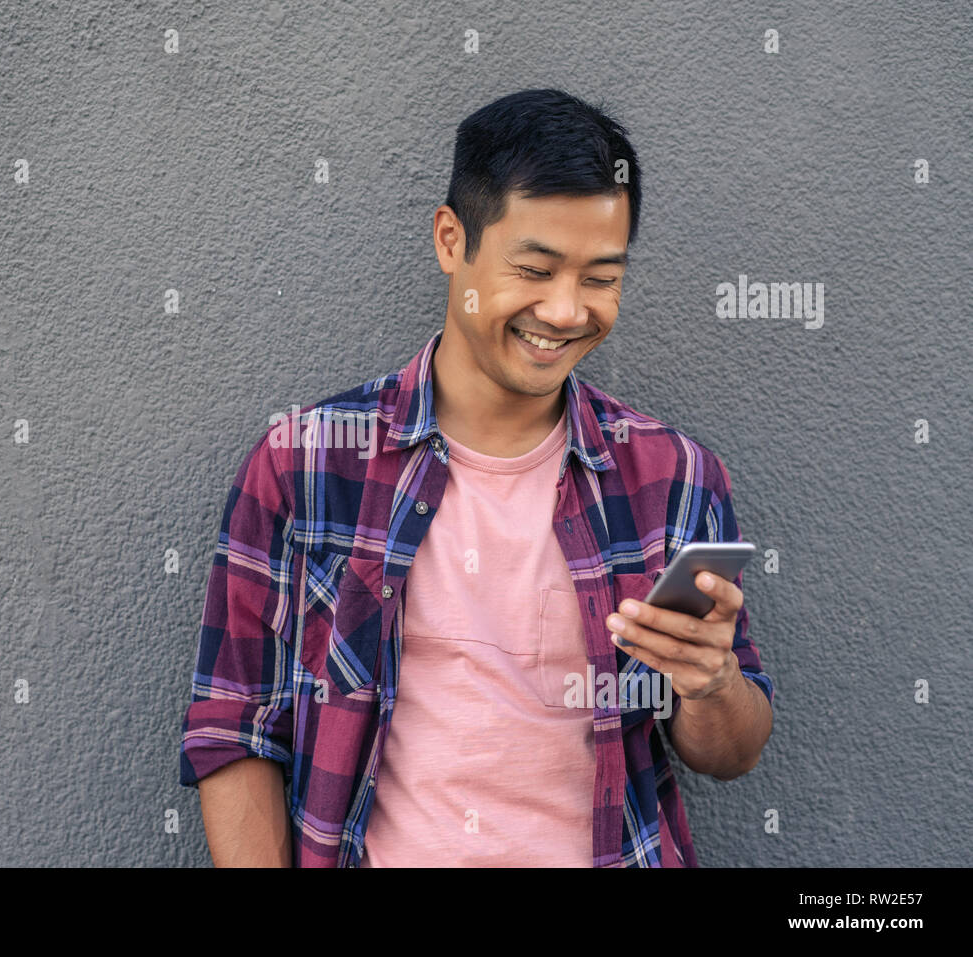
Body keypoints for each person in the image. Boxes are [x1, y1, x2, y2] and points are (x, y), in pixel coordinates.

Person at [179, 88, 773, 868]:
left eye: (600, 277)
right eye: (535, 268)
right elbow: (235, 726)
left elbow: (731, 751)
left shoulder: (674, 476)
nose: (565, 311)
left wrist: (711, 680)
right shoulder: (307, 463)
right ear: (451, 241)